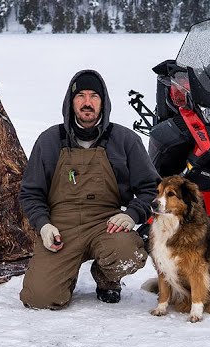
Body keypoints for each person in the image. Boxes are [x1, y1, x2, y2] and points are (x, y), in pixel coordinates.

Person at [19, 69, 159, 309]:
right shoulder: (50, 140)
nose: (87, 103)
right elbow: (31, 192)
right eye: (80, 96)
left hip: (106, 224)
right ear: (70, 101)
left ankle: (107, 277)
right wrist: (43, 225)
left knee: (129, 253)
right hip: (60, 228)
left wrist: (131, 214)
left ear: (103, 102)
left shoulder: (125, 140)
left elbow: (152, 189)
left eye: (94, 96)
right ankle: (63, 274)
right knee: (38, 299)